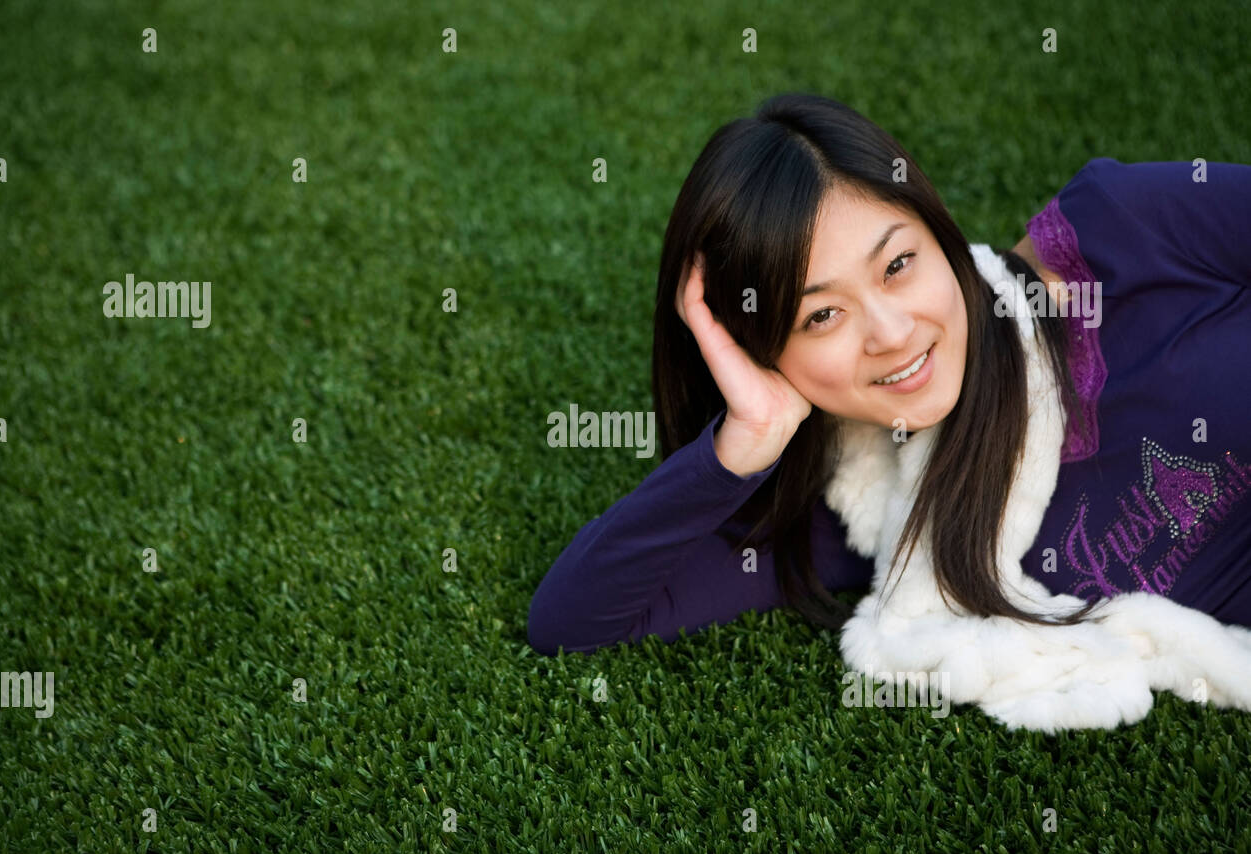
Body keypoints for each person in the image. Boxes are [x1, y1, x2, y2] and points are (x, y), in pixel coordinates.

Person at [528, 92, 1251, 658]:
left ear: (936, 229)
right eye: (821, 318)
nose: (892, 333)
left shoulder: (1120, 232)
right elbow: (572, 619)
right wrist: (739, 447)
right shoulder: (862, 512)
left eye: (898, 265)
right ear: (761, 357)